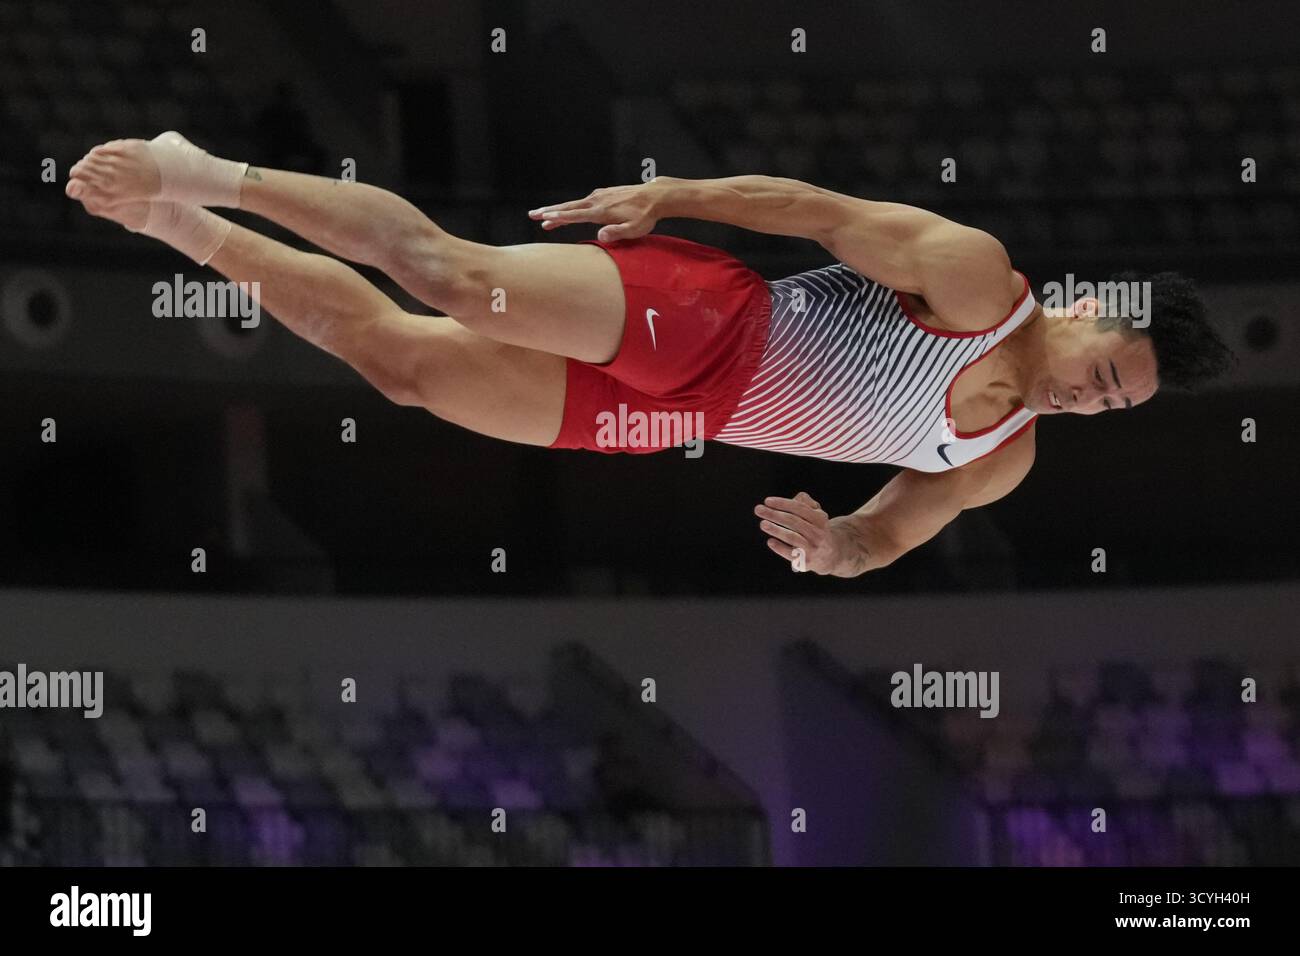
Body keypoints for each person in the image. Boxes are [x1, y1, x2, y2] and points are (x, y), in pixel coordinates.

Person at [65, 133, 1232, 576]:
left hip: (684, 416)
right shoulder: (977, 278)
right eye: (1104, 368)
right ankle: (205, 170)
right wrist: (681, 191)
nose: (1088, 397)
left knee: (402, 363)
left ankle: (185, 226)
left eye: (1111, 407)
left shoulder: (1000, 460)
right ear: (1084, 307)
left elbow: (888, 530)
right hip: (715, 321)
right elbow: (817, 210)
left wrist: (838, 544)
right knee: (448, 276)